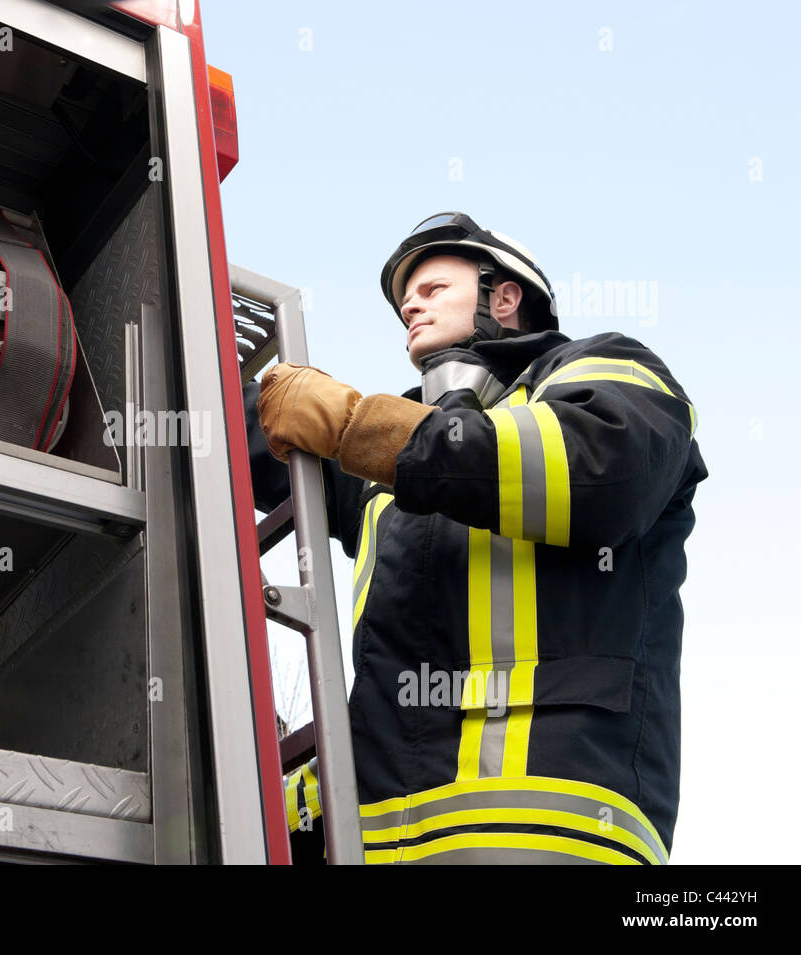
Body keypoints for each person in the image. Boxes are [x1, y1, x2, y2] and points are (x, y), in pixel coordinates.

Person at [246, 212, 707, 864]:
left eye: (432, 287)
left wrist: (354, 423)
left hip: (548, 829)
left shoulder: (609, 370)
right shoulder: (390, 464)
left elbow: (599, 470)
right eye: (407, 296)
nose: (409, 303)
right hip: (380, 842)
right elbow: (251, 445)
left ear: (505, 296)